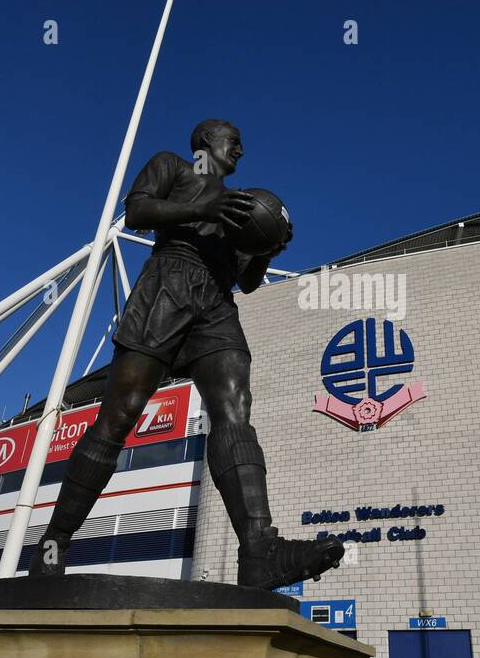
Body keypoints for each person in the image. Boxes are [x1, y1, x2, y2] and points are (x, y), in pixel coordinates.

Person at [28, 120, 343, 589]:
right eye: (231, 138)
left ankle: (259, 551)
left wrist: (267, 248)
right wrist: (202, 204)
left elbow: (248, 281)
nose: (240, 147)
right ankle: (54, 543)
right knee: (120, 415)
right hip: (167, 286)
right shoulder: (171, 166)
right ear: (204, 142)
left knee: (235, 411)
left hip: (216, 304)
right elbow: (137, 212)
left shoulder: (240, 206)